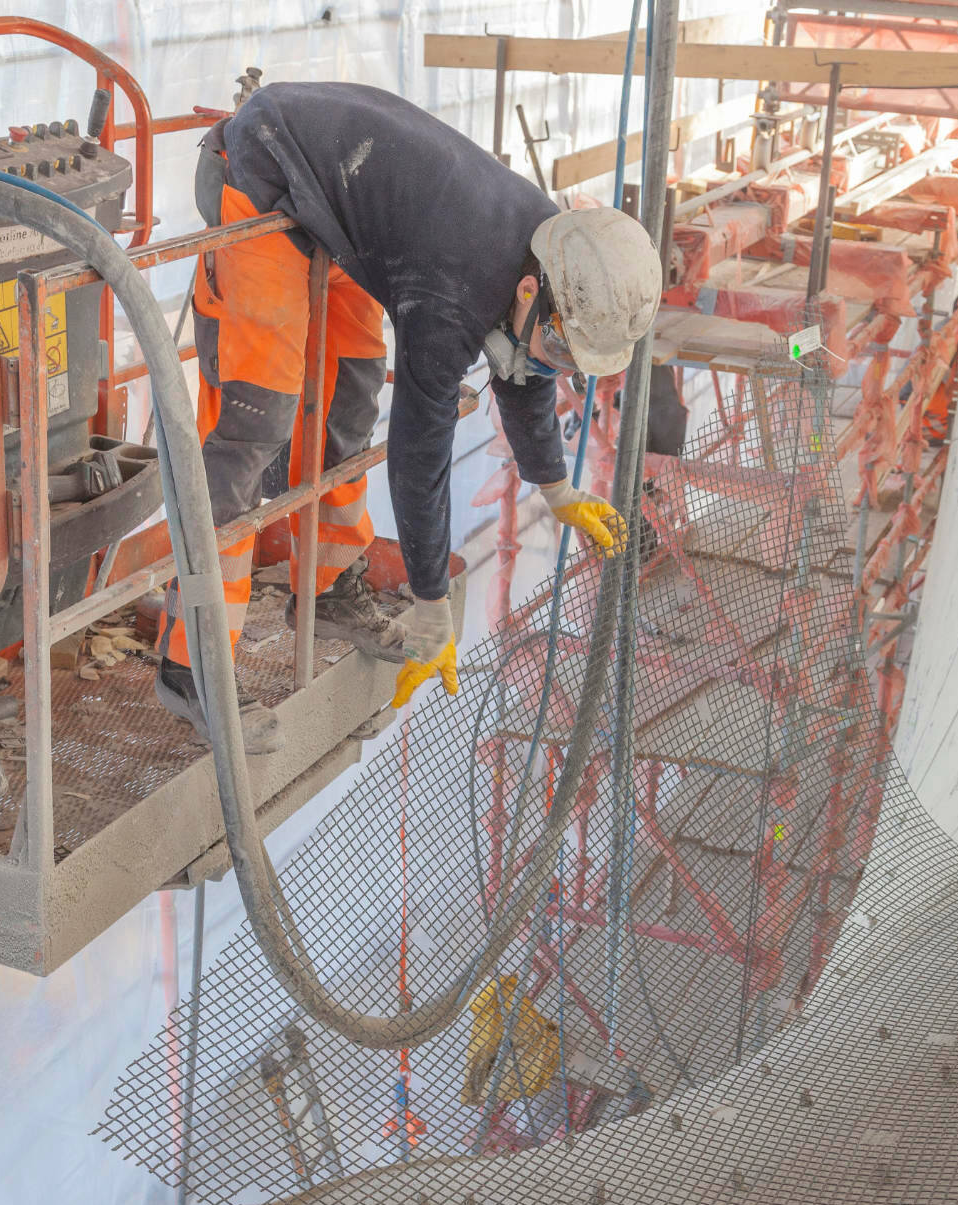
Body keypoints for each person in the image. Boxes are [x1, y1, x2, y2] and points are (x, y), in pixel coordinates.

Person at [155, 81, 662, 753]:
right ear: (529, 291)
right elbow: (420, 453)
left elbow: (524, 368)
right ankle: (190, 664)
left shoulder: (547, 249)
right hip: (267, 172)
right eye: (561, 347)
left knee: (351, 397)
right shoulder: (453, 284)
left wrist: (556, 487)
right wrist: (429, 606)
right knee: (258, 421)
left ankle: (330, 588)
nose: (555, 366)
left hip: (337, 202)